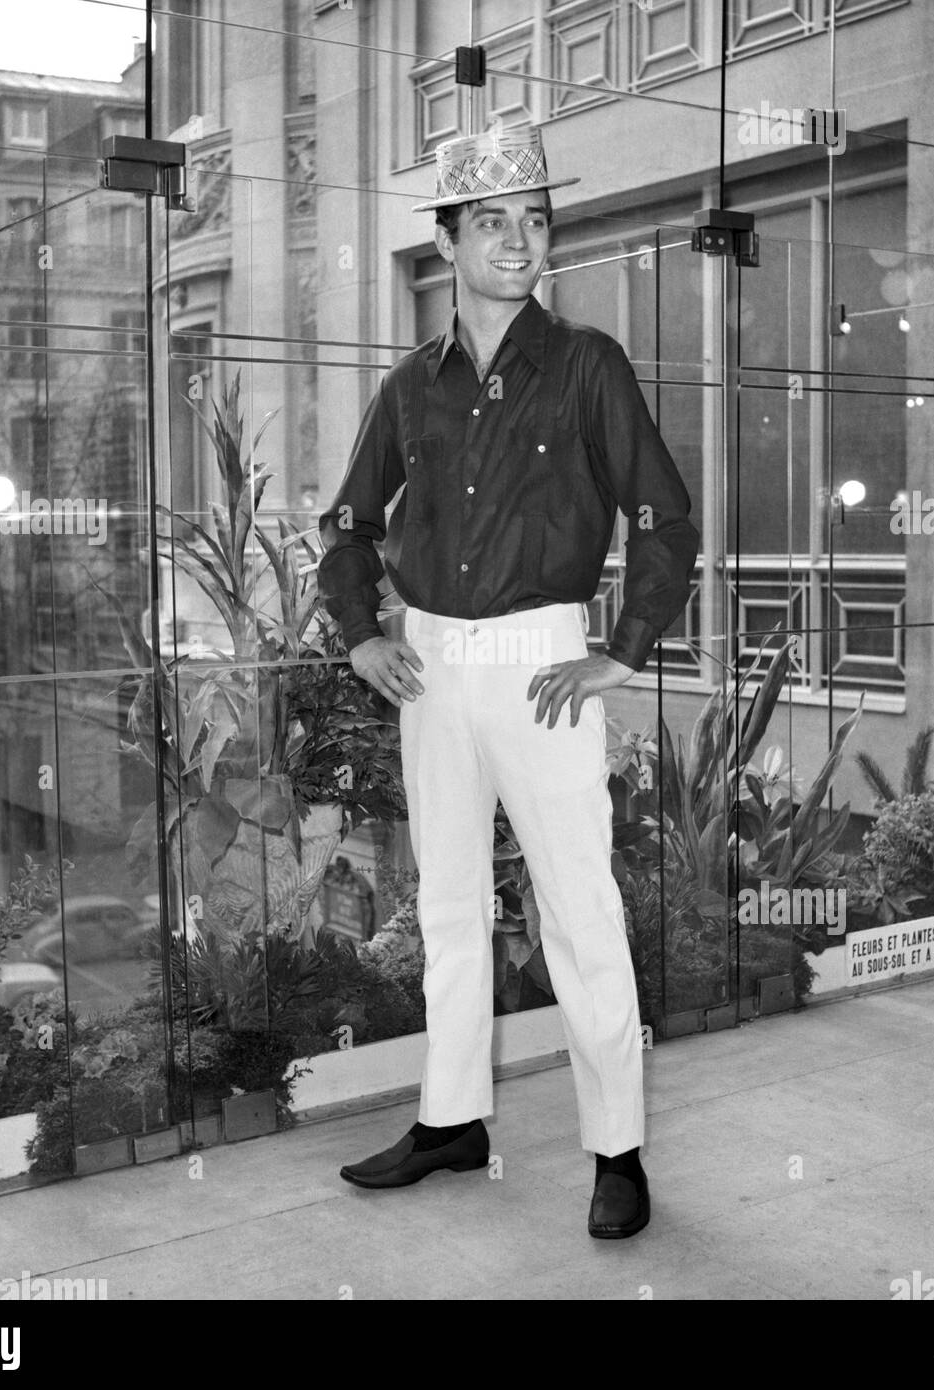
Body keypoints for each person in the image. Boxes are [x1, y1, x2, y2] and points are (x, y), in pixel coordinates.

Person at [317, 124, 699, 1239]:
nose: (520, 240)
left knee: (578, 906)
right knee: (443, 902)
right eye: (492, 221)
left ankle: (616, 1151)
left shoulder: (585, 365)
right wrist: (358, 631)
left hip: (541, 666)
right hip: (430, 668)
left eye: (534, 220)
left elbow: (663, 519)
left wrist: (621, 645)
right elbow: (345, 524)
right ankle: (452, 1119)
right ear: (446, 241)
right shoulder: (407, 390)